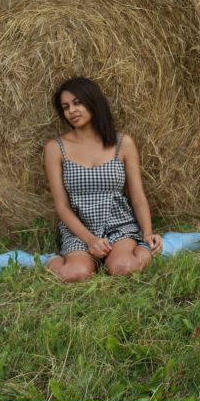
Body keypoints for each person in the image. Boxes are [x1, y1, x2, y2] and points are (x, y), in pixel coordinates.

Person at [44, 77, 163, 282]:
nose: (72, 110)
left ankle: (149, 248)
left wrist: (148, 233)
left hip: (119, 224)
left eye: (78, 102)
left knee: (123, 267)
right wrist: (90, 240)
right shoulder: (55, 148)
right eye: (66, 107)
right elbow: (62, 206)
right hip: (80, 229)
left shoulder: (122, 143)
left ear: (93, 101)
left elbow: (137, 196)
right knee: (76, 274)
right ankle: (43, 260)